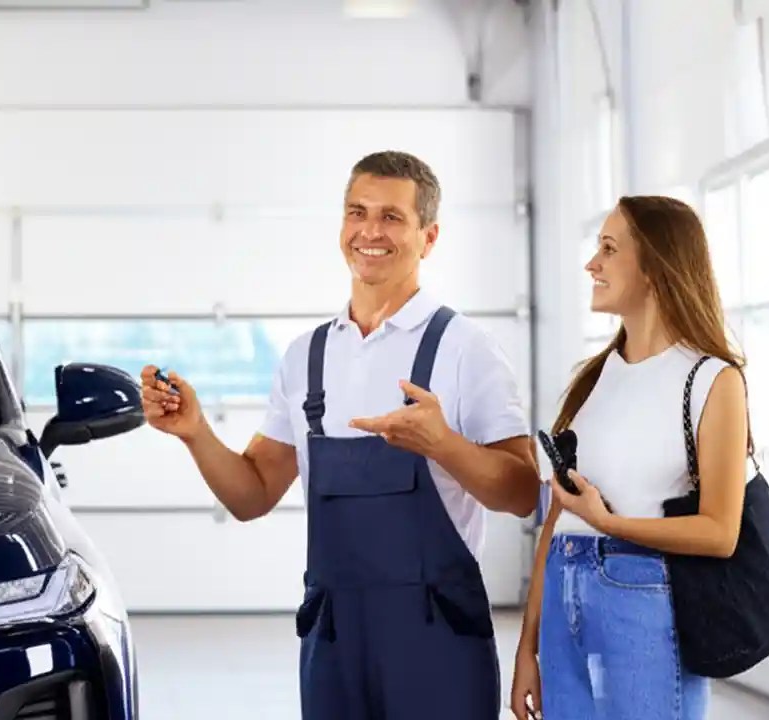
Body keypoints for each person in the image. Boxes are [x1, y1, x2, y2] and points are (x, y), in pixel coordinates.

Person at [140, 150, 543, 719]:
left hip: (437, 643)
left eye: (391, 217)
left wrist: (443, 445)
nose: (370, 231)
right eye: (357, 212)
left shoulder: (465, 349)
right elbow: (252, 495)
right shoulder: (308, 356)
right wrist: (196, 433)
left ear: (428, 237)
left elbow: (523, 491)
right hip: (334, 644)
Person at [509, 196, 753, 720]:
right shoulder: (594, 379)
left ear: (656, 266)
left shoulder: (712, 379)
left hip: (643, 596)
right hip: (562, 592)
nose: (591, 264)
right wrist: (527, 648)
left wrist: (610, 521)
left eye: (609, 249)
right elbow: (556, 519)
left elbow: (720, 531)